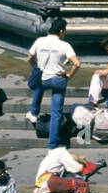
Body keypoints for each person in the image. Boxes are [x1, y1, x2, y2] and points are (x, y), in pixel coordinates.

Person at [26, 17, 80, 146]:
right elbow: (77, 64)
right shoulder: (65, 45)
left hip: (43, 79)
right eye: (65, 30)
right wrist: (68, 75)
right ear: (61, 31)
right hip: (58, 80)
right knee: (56, 113)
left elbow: (29, 58)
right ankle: (53, 144)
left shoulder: (39, 40)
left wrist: (36, 67)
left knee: (39, 84)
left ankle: (34, 112)